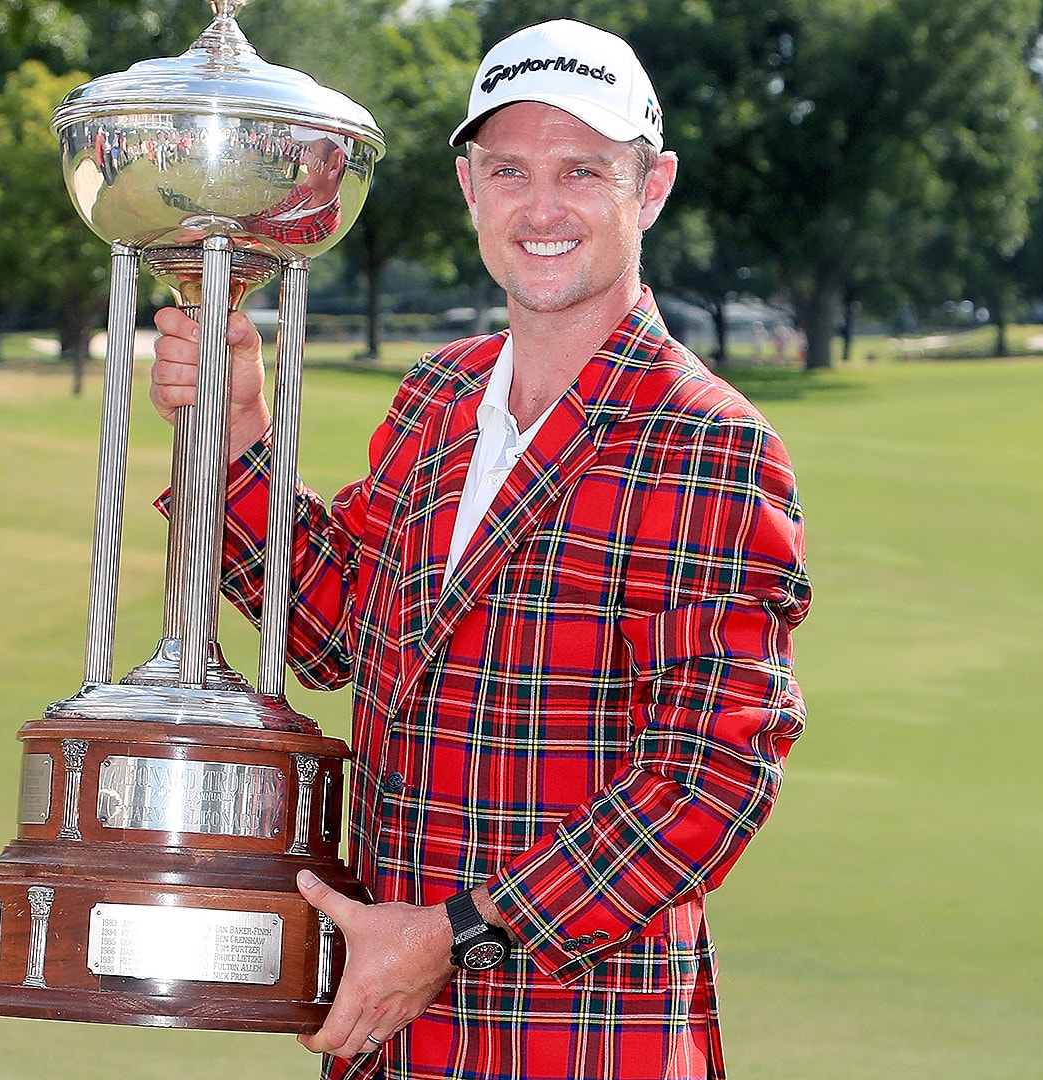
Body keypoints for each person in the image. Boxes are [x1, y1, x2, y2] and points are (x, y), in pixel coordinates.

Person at [150, 20, 809, 1080]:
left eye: (582, 171)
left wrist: (454, 936)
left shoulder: (709, 439)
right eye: (510, 169)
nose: (540, 207)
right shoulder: (440, 396)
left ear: (651, 188)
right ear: (470, 185)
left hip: (583, 1042)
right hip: (390, 1040)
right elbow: (334, 631)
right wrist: (234, 438)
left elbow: (709, 779)